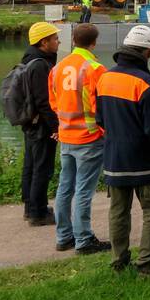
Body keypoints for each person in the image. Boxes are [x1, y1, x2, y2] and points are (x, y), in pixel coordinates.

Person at [96, 25, 150, 276]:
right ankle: (147, 264)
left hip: (114, 159)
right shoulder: (147, 84)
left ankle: (119, 262)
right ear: (148, 52)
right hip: (146, 162)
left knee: (118, 211)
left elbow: (100, 120)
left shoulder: (105, 78)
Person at [50, 23, 111, 255]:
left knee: (65, 188)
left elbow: (54, 102)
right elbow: (103, 105)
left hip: (66, 137)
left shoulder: (57, 68)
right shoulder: (96, 68)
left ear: (73, 41)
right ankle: (84, 240)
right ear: (94, 43)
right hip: (89, 137)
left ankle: (63, 236)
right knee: (84, 190)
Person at [20, 22, 61, 225]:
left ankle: (30, 207)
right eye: (55, 39)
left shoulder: (29, 60)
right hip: (41, 125)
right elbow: (44, 102)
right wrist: (56, 127)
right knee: (42, 168)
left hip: (31, 123)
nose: (58, 42)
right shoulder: (39, 65)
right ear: (44, 42)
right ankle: (38, 213)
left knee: (30, 165)